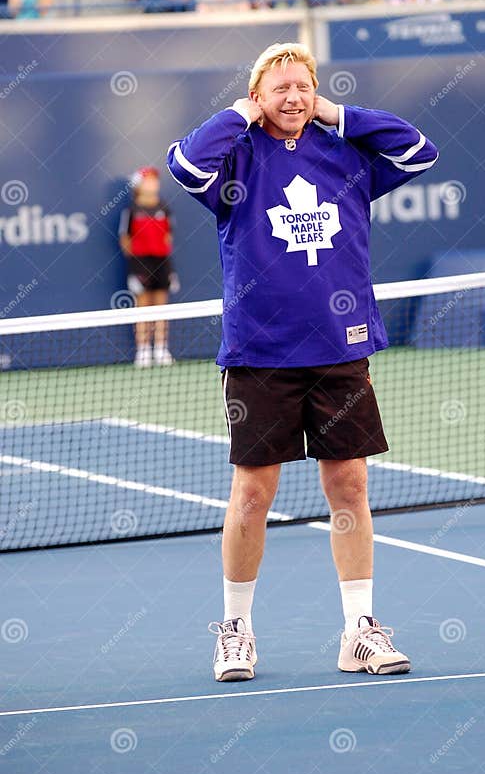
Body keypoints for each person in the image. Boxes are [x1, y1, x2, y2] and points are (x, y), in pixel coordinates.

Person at [167, 42, 439, 682]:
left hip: (341, 349)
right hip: (260, 353)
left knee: (349, 485)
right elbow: (184, 164)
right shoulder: (235, 155)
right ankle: (235, 629)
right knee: (253, 493)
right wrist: (239, 114)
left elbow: (417, 149)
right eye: (279, 87)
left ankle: (360, 631)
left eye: (303, 87)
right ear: (258, 96)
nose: (293, 98)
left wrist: (337, 114)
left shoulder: (348, 156)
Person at [119, 166, 177, 368]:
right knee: (142, 307)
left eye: (155, 180)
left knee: (161, 307)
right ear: (139, 185)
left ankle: (161, 349)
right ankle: (143, 351)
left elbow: (168, 237)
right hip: (140, 264)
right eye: (148, 180)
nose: (153, 183)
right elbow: (125, 240)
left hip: (162, 263)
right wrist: (135, 265)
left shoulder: (164, 207)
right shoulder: (131, 211)